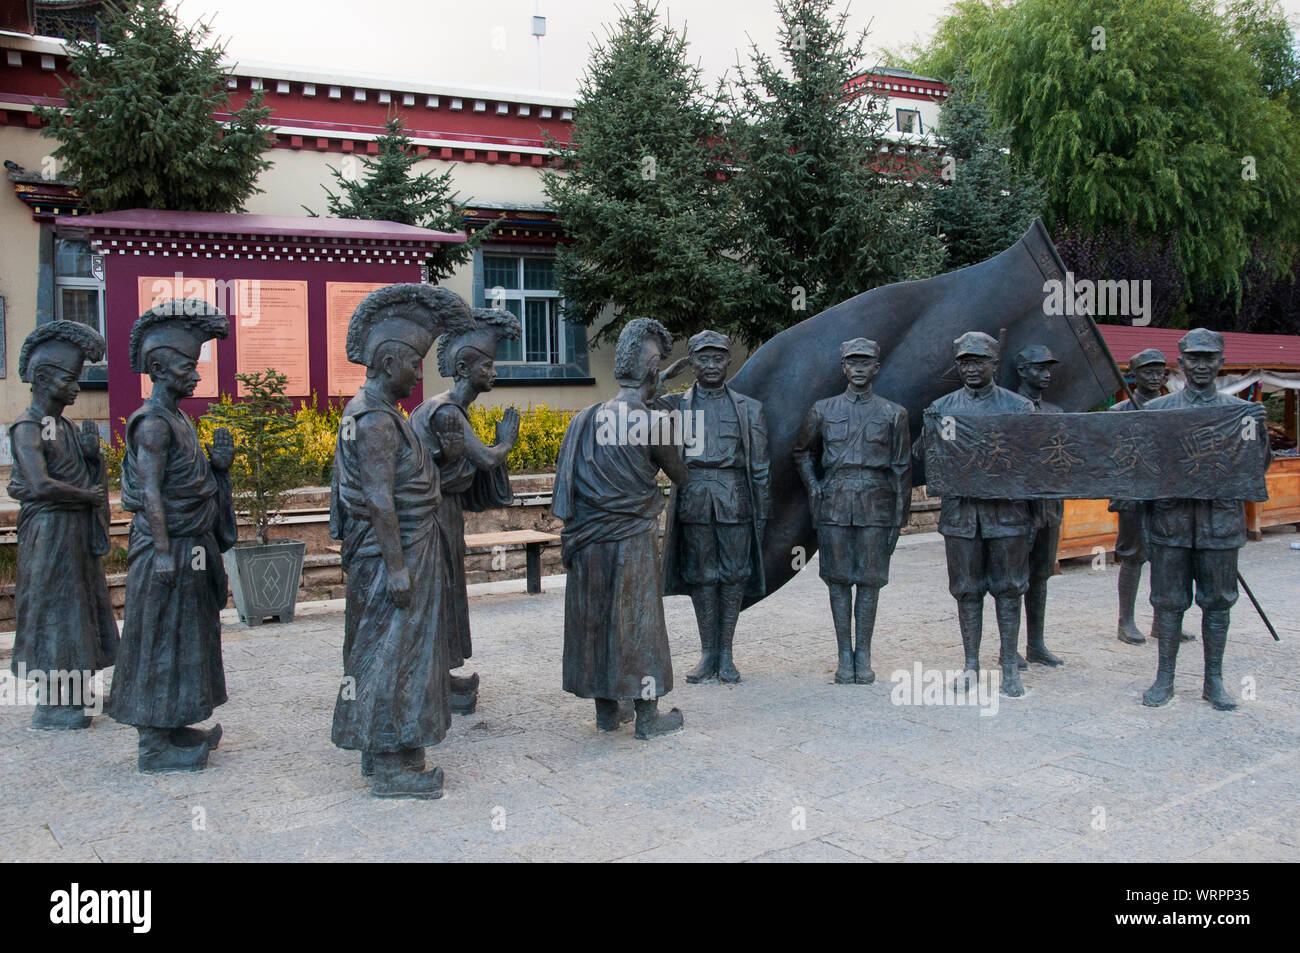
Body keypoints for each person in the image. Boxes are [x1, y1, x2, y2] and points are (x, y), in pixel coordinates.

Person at [331, 283, 473, 798]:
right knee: (394, 651)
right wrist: (396, 566)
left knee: (393, 650)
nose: (420, 374)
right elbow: (378, 499)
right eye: (414, 363)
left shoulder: (381, 413)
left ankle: (386, 746)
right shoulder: (372, 419)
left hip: (409, 546)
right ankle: (392, 765)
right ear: (389, 360)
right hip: (397, 552)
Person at [107, 300, 236, 772]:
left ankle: (176, 721)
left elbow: (191, 480)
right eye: (187, 366)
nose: (196, 375)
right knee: (159, 638)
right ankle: (154, 745)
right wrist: (162, 552)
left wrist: (218, 469)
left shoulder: (180, 418)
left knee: (188, 636)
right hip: (170, 549)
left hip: (192, 545)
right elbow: (150, 492)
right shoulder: (154, 424)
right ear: (158, 368)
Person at [553, 317, 690, 739]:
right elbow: (681, 475)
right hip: (630, 538)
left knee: (596, 618)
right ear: (652, 372)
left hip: (588, 539)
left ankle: (608, 711)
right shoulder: (654, 422)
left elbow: (567, 490)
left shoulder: (584, 419)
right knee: (638, 622)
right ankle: (648, 717)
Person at [1141, 328, 1269, 711]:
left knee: (1217, 602)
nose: (1201, 365)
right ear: (1180, 363)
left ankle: (1213, 679)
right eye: (1193, 358)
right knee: (1168, 602)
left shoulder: (1237, 413)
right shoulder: (1158, 412)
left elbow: (1256, 470)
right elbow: (1141, 471)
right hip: (1172, 525)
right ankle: (1165, 677)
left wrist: (1258, 431)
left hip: (1219, 524)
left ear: (1221, 363)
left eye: (1208, 358)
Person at [412, 307, 521, 715]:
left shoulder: (450, 409)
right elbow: (486, 459)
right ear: (463, 367)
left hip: (446, 512)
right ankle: (433, 678)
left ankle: (443, 673)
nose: (494, 372)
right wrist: (505, 441)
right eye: (487, 365)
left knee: (448, 591)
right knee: (441, 591)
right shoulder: (445, 412)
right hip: (434, 515)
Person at [8, 321, 116, 729]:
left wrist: (92, 459)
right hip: (49, 533)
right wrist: (86, 495)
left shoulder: (66, 427)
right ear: (43, 379)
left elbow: (81, 478)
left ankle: (75, 688)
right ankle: (53, 700)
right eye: (70, 380)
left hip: (73, 533)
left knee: (78, 607)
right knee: (53, 607)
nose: (77, 389)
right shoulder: (27, 427)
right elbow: (38, 484)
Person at [924, 331, 1036, 697]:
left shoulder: (1018, 408)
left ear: (995, 363)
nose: (971, 368)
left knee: (1008, 589)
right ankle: (971, 664)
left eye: (979, 361)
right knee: (967, 591)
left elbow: (1032, 465)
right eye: (964, 362)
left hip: (1006, 516)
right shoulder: (942, 409)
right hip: (961, 516)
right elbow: (928, 458)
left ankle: (1008, 665)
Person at [793, 338, 910, 685]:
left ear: (876, 367)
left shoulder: (894, 413)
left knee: (871, 581)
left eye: (866, 363)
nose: (859, 369)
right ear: (843, 367)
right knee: (839, 580)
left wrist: (899, 518)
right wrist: (814, 488)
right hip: (835, 502)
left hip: (877, 503)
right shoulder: (823, 410)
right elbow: (801, 453)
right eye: (852, 363)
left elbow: (902, 468)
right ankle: (844, 654)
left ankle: (865, 653)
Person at [658, 329, 770, 684]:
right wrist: (660, 378)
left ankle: (727, 652)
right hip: (694, 495)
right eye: (702, 358)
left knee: (734, 574)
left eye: (717, 358)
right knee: (702, 575)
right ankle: (708, 653)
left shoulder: (749, 409)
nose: (710, 365)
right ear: (691, 363)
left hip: (735, 495)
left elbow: (762, 468)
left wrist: (762, 512)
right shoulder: (676, 405)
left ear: (728, 361)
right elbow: (637, 404)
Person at [1108, 348, 1194, 645]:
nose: (1155, 376)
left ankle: (1163, 619)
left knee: (1166, 557)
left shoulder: (1173, 408)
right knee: (1134, 557)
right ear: (1134, 375)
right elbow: (1110, 459)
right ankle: (1126, 621)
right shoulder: (1119, 413)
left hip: (1166, 496)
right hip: (1134, 497)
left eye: (1160, 371)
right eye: (1148, 371)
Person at [1013, 345, 1065, 669]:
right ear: (1022, 371)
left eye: (1048, 368)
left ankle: (1036, 644)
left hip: (1049, 507)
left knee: (1040, 576)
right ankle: (1011, 646)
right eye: (1038, 368)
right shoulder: (1008, 408)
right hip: (1018, 508)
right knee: (1014, 578)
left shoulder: (1056, 412)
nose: (1045, 374)